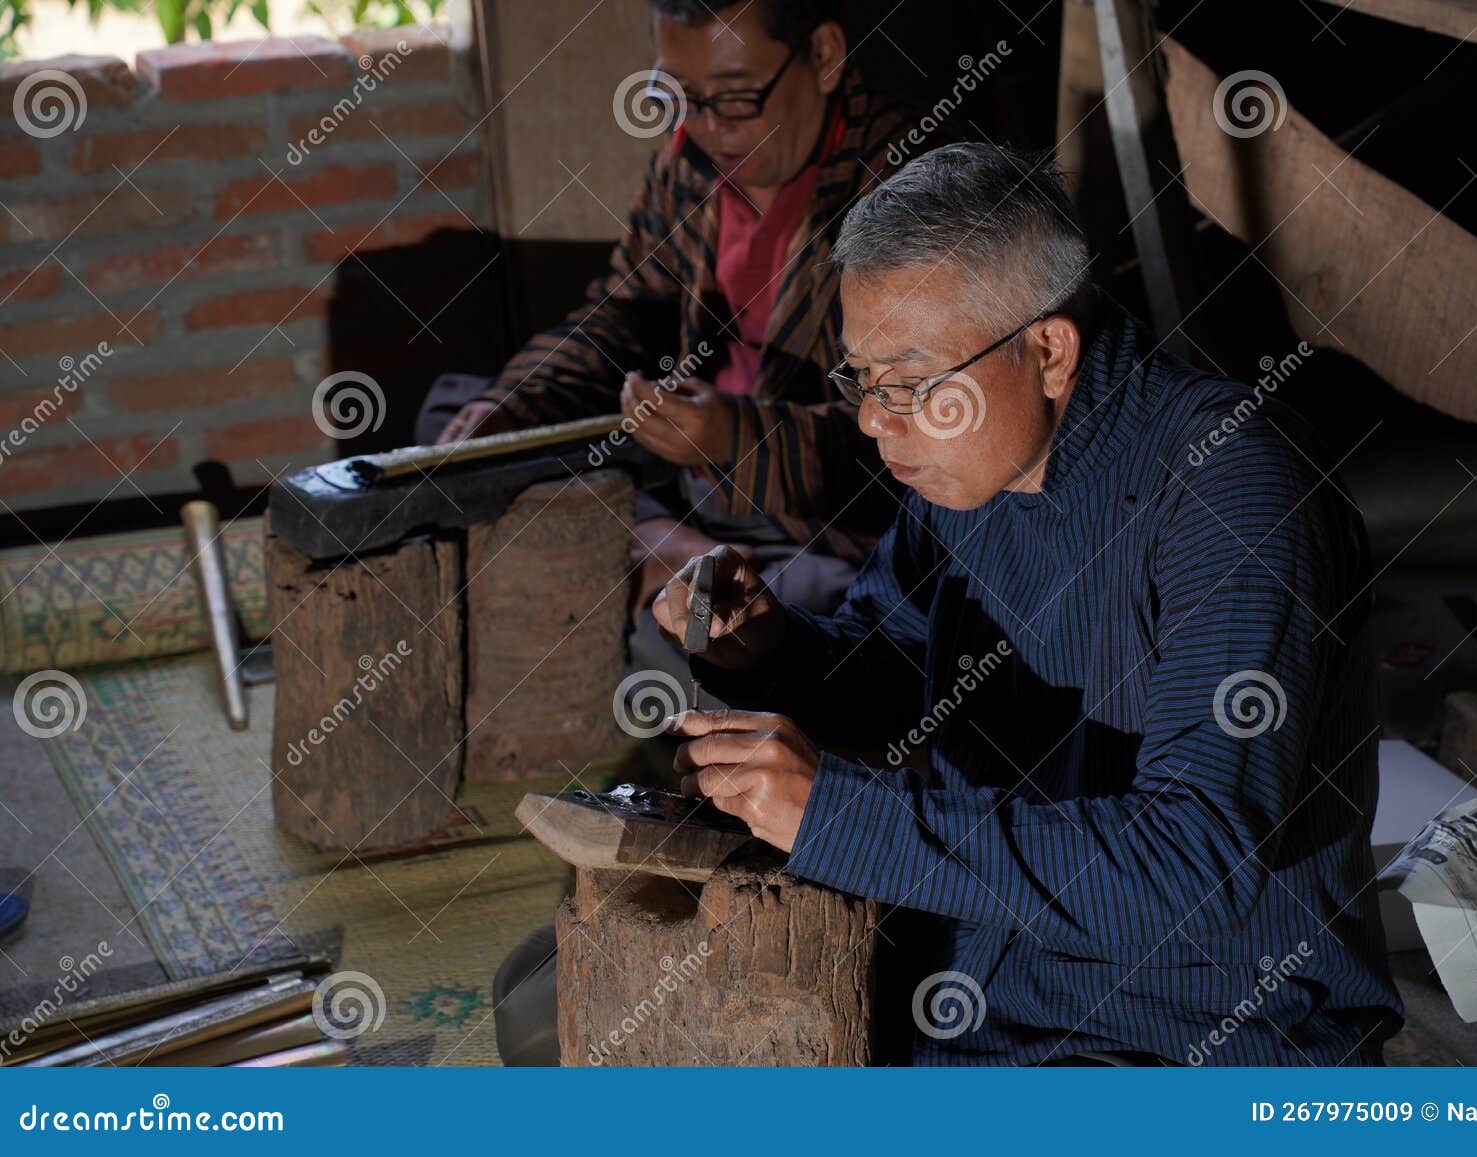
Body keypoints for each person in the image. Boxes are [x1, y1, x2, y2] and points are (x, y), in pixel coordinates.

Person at [652, 142, 1405, 1065]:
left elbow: (1195, 862)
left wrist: (840, 819)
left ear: (1048, 351)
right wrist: (770, 650)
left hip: (1188, 1036)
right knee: (572, 996)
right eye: (863, 380)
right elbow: (897, 675)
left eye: (910, 384)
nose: (875, 420)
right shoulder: (968, 469)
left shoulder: (1235, 489)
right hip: (983, 983)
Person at [421, 0, 922, 638]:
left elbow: (916, 434)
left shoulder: (903, 186)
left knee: (832, 602)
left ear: (823, 56)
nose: (707, 129)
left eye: (735, 98)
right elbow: (624, 313)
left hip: (815, 516)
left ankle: (680, 558)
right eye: (682, 95)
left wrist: (736, 438)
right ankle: (674, 547)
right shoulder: (688, 165)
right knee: (454, 418)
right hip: (682, 474)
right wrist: (513, 403)